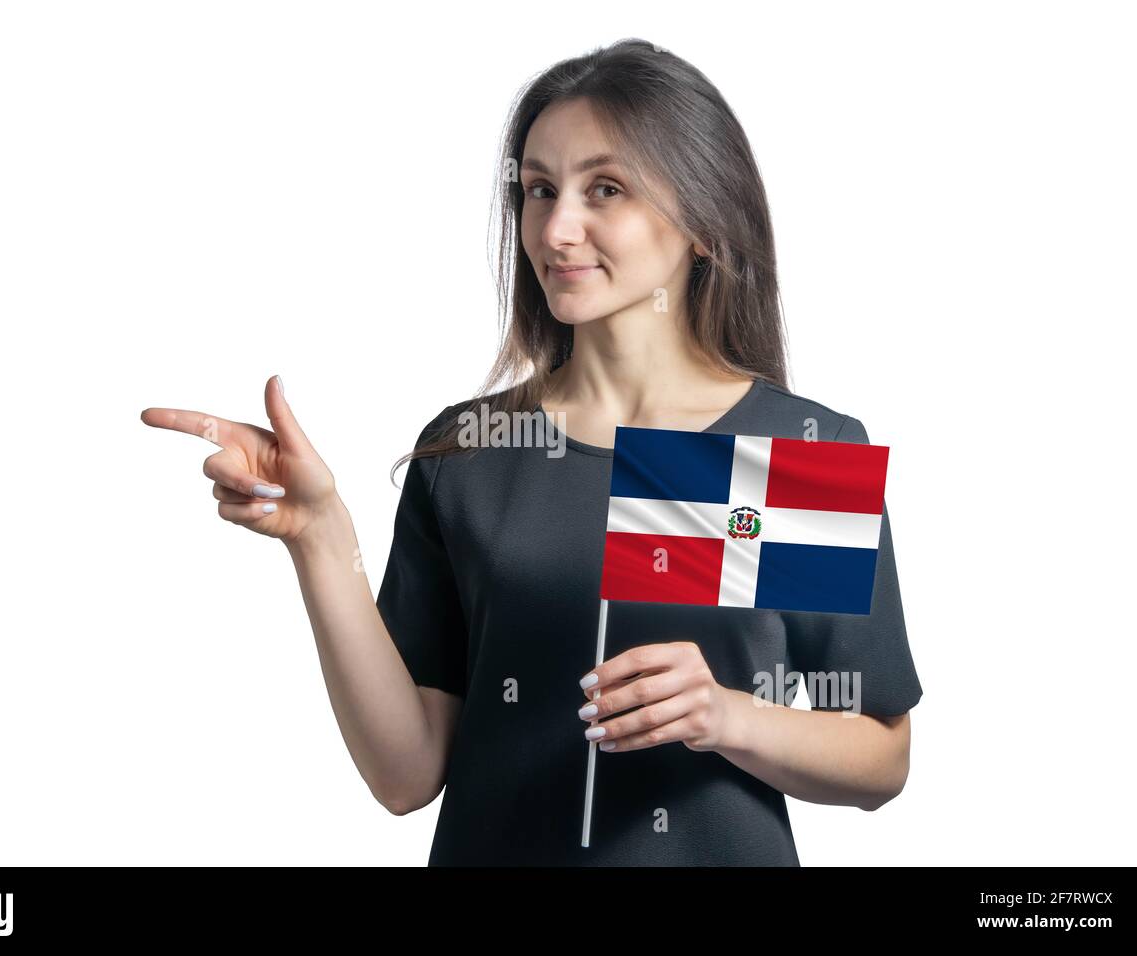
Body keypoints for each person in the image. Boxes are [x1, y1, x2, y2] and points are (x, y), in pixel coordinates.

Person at [140, 38, 923, 866]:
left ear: (702, 218)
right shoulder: (471, 455)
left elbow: (882, 753)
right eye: (540, 189)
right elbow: (405, 775)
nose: (555, 228)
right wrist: (320, 540)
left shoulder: (791, 452)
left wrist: (728, 717)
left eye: (605, 189)